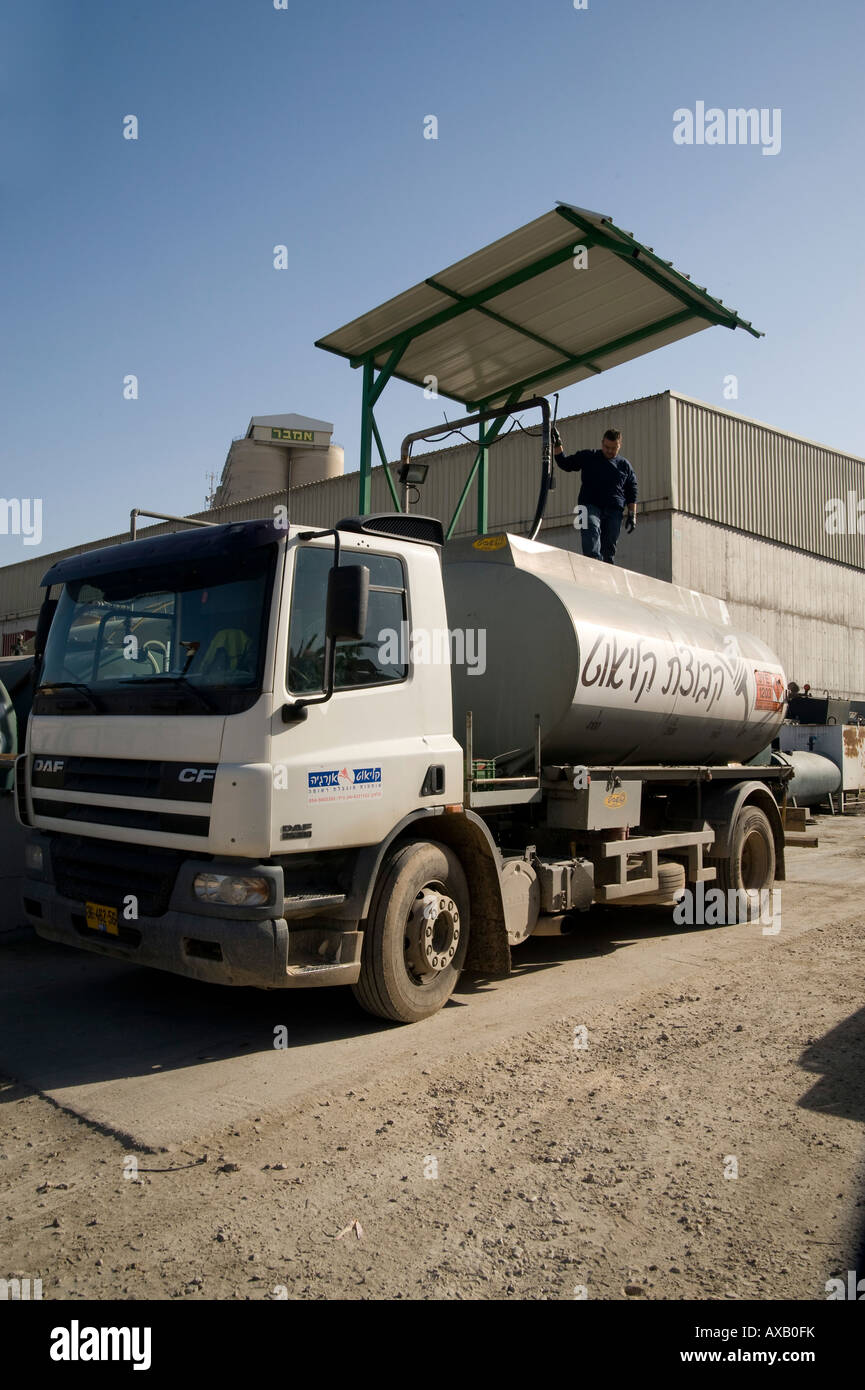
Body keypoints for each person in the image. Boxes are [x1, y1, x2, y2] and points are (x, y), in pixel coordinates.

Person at [552, 426, 638, 565]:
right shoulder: (589, 456)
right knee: (591, 531)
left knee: (609, 547)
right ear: (602, 443)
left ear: (619, 446)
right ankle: (592, 564)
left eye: (613, 448)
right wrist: (557, 444)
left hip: (614, 510)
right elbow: (565, 463)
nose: (609, 451)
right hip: (588, 505)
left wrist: (632, 514)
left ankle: (606, 571)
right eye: (606, 447)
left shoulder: (624, 465)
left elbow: (632, 489)